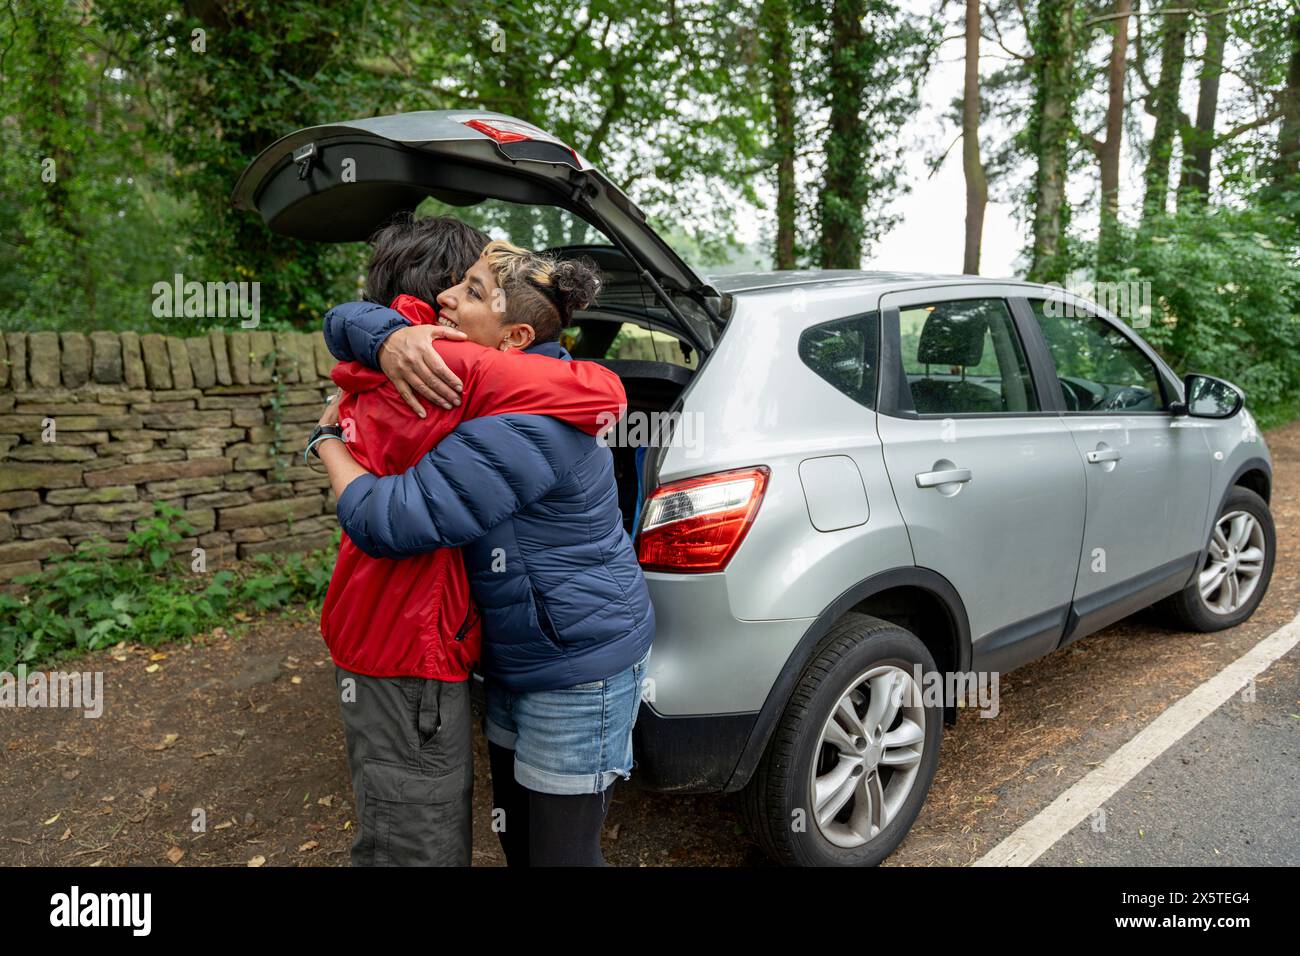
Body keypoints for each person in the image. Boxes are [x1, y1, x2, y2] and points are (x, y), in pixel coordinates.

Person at [315, 238, 654, 866]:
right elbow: (356, 319)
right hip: (516, 655)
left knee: (559, 857)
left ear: (515, 338)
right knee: (517, 838)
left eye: (472, 292)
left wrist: (327, 439)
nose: (447, 296)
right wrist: (385, 336)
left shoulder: (531, 424)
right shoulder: (494, 385)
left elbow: (386, 520)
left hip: (577, 665)